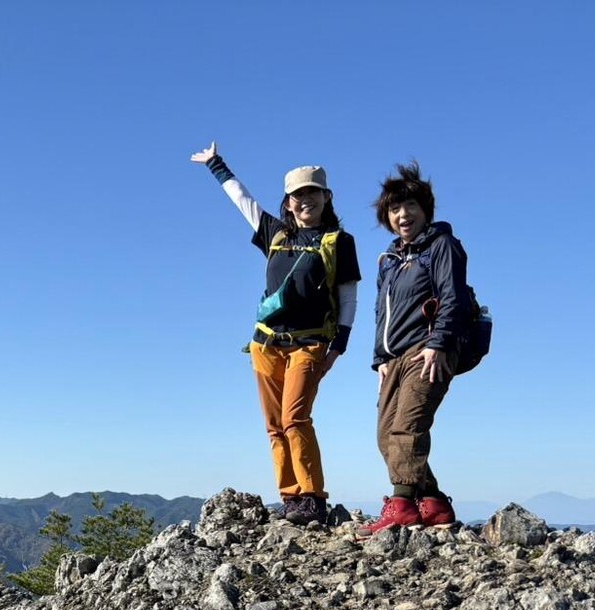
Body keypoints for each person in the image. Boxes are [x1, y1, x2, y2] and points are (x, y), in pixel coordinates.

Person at [191, 142, 361, 526]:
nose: (305, 201)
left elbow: (348, 295)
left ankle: (313, 495)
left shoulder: (339, 241)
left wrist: (340, 345)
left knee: (295, 418)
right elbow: (242, 200)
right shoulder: (275, 232)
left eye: (312, 193)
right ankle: (291, 497)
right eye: (298, 195)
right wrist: (216, 165)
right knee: (274, 425)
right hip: (265, 343)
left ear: (326, 197)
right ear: (288, 202)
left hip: (311, 342)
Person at [360, 162, 465, 534]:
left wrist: (437, 344)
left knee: (408, 427)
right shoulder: (389, 261)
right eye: (394, 209)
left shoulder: (441, 247)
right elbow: (380, 313)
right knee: (386, 434)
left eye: (410, 207)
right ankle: (433, 501)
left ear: (425, 210)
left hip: (427, 349)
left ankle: (402, 504)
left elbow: (451, 297)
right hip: (395, 357)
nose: (402, 215)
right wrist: (380, 361)